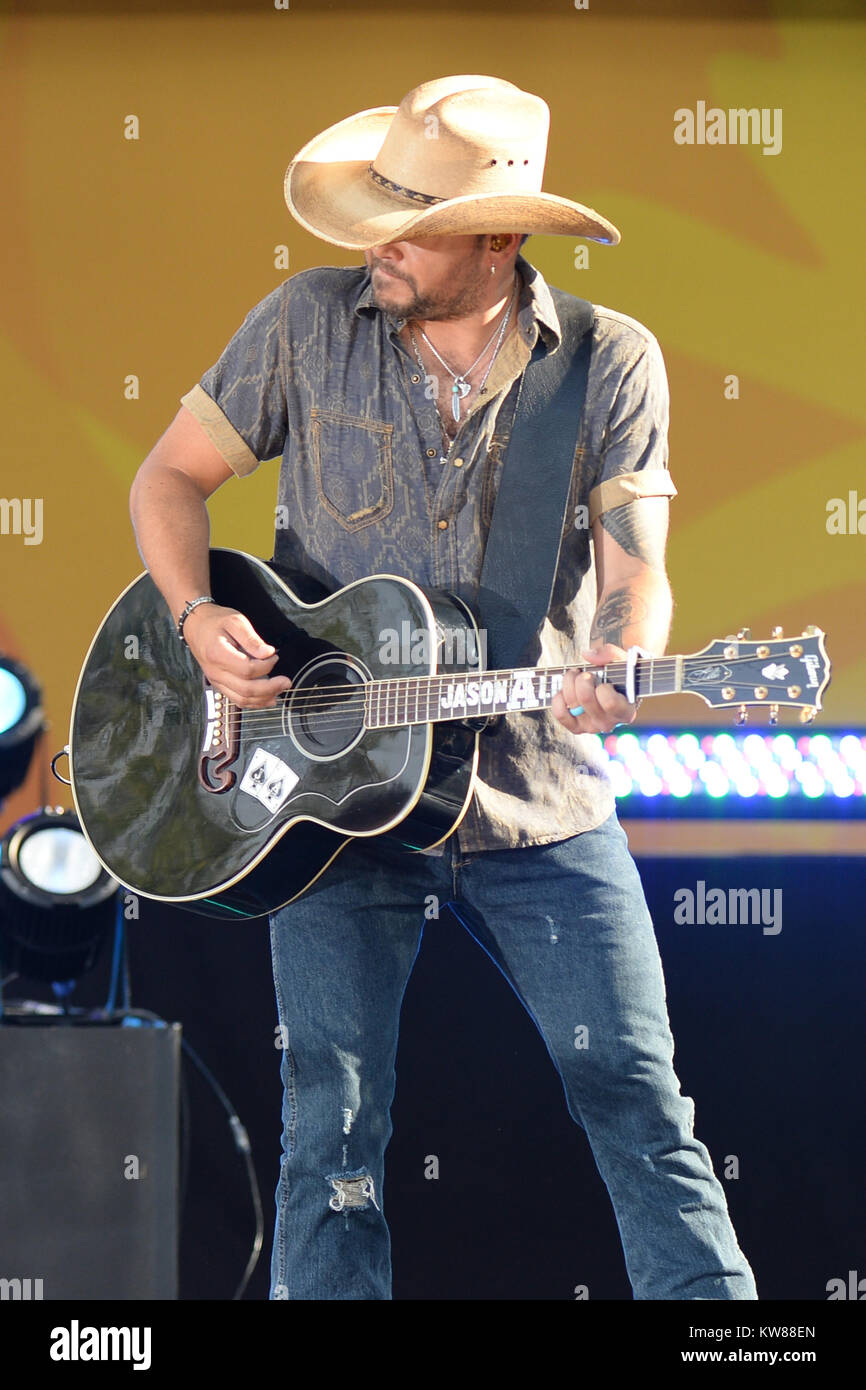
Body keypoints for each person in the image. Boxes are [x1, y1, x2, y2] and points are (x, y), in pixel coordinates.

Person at [129, 75, 757, 1301]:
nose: (379, 245)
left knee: (634, 1091)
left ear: (499, 237)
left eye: (410, 229)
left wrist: (621, 654)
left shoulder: (607, 360)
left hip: (537, 797)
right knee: (330, 1122)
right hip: (331, 799)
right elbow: (166, 479)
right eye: (377, 217)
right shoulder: (305, 322)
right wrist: (197, 614)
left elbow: (635, 571)